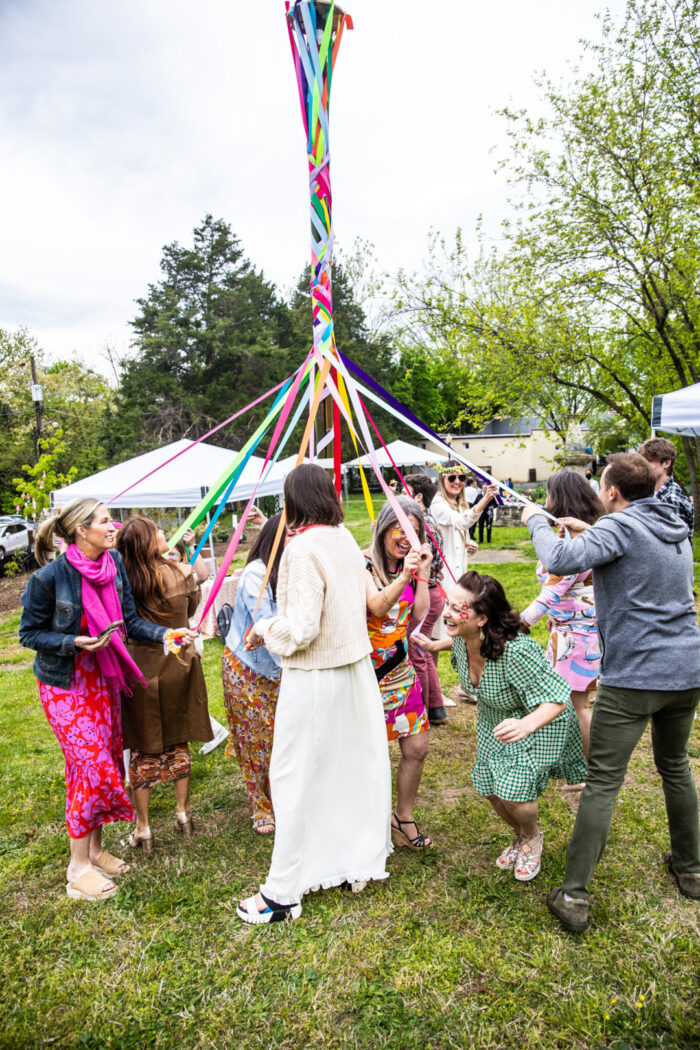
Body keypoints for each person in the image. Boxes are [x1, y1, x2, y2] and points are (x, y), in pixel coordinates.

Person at [522, 452, 700, 931]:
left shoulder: (619, 527)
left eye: (603, 487)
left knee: (603, 781)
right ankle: (691, 869)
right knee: (676, 766)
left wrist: (536, 518)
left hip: (637, 674)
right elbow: (629, 555)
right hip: (687, 669)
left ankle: (574, 896)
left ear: (613, 493)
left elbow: (556, 558)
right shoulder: (673, 526)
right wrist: (586, 530)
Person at [237, 464, 392, 924]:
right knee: (349, 769)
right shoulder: (344, 538)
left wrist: (263, 627)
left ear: (291, 501)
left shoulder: (301, 549)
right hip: (355, 674)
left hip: (316, 678)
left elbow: (302, 629)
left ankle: (283, 893)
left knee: (293, 776)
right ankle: (351, 862)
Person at [19, 499, 193, 901]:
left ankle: (95, 850)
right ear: (82, 531)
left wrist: (167, 635)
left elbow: (129, 623)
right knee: (92, 769)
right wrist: (71, 642)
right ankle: (77, 867)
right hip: (66, 684)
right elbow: (28, 634)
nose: (112, 526)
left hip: (104, 680)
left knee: (103, 762)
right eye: (103, 521)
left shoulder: (112, 567)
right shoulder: (49, 578)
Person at [415, 572, 587, 881]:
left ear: (482, 619)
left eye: (458, 608)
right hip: (496, 721)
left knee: (513, 793)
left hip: (538, 721)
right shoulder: (462, 637)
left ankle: (533, 835)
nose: (447, 613)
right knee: (490, 787)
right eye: (449, 605)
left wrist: (526, 724)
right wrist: (432, 645)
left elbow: (558, 698)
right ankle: (521, 836)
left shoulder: (517, 652)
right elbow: (453, 640)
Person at [116, 516, 212, 849]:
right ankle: (183, 812)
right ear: (148, 544)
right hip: (180, 665)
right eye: (157, 531)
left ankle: (143, 826)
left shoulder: (122, 582)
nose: (162, 534)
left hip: (138, 669)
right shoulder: (182, 574)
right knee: (178, 738)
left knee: (142, 746)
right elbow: (191, 609)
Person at [520, 470, 605, 762]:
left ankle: (591, 770)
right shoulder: (584, 532)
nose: (545, 500)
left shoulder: (573, 541)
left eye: (548, 494)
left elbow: (553, 591)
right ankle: (575, 761)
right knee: (568, 704)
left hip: (576, 639)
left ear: (558, 498)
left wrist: (520, 622)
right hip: (570, 635)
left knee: (577, 705)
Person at [365, 498, 434, 848]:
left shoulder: (406, 567)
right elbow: (376, 607)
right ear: (384, 527)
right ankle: (365, 822)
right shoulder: (363, 564)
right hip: (365, 675)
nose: (408, 539)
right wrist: (406, 573)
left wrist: (420, 573)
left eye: (415, 533)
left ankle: (402, 815)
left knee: (417, 747)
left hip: (400, 671)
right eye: (401, 529)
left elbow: (418, 613)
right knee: (367, 754)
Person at [221, 513, 285, 835]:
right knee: (256, 741)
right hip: (247, 669)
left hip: (280, 669)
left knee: (280, 736)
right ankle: (260, 806)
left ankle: (280, 796)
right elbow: (269, 631)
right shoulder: (256, 575)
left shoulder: (290, 571)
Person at [431, 462, 498, 700]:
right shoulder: (437, 503)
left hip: (458, 577)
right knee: (441, 634)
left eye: (461, 477)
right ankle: (434, 691)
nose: (457, 482)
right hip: (444, 579)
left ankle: (464, 684)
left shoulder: (459, 504)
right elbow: (460, 522)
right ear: (442, 480)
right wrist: (486, 499)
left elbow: (459, 531)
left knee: (463, 631)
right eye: (452, 478)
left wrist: (467, 545)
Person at [403, 474, 450, 726]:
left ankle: (424, 706)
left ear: (417, 497)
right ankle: (436, 707)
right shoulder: (430, 521)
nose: (399, 495)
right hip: (433, 591)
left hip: (426, 593)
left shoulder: (421, 526)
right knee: (423, 651)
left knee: (417, 652)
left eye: (403, 491)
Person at [639, 436, 694, 540]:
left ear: (667, 463)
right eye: (643, 462)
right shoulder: (657, 492)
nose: (644, 467)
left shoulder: (671, 498)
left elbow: (676, 542)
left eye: (649, 461)